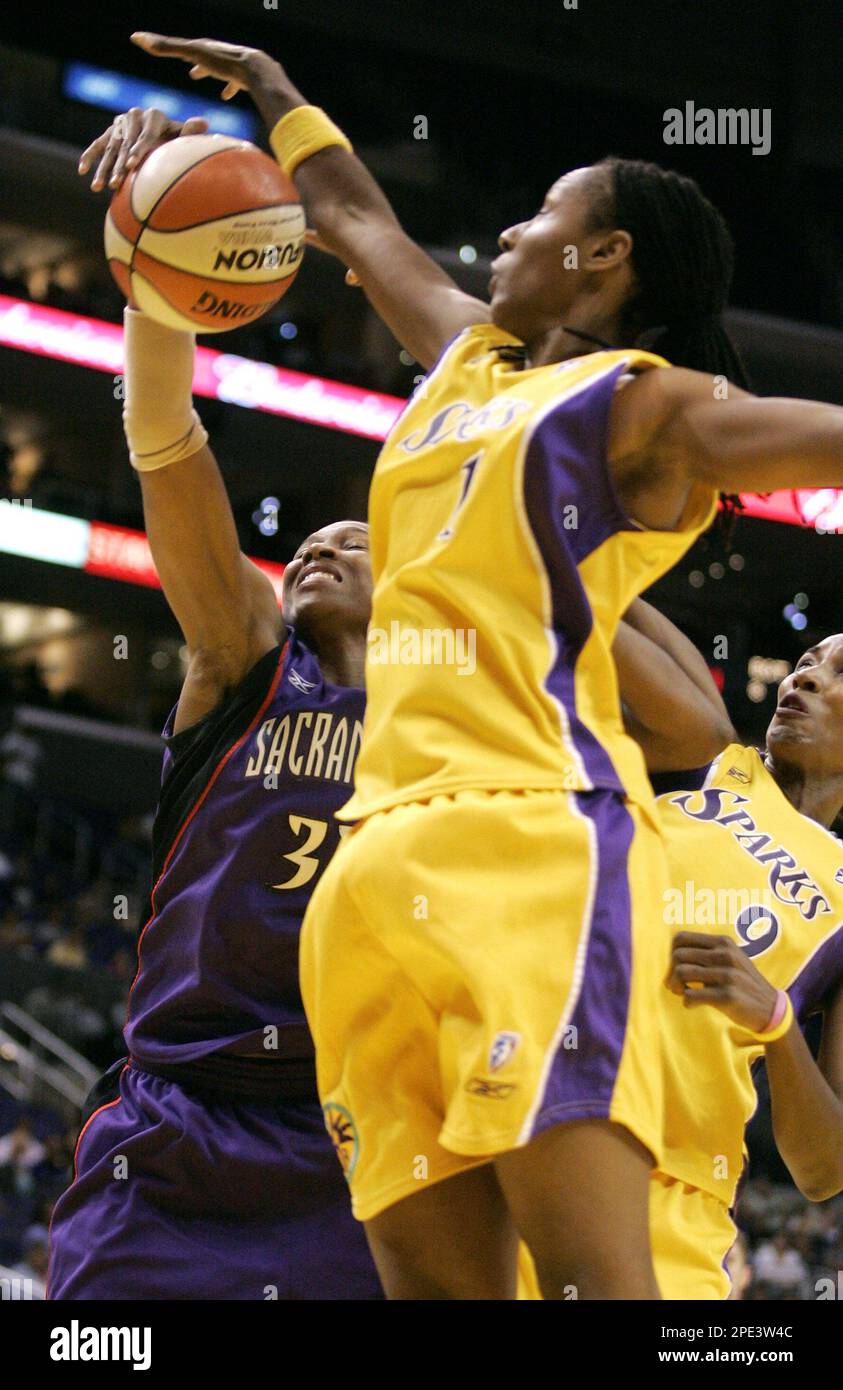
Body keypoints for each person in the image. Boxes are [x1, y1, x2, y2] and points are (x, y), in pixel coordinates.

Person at [93, 30, 843, 1300]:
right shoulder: (461, 359)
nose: (504, 235)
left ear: (605, 257)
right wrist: (273, 96)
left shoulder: (644, 407)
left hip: (529, 842)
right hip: (371, 865)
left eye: (542, 216)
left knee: (603, 1282)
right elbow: (345, 216)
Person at [46, 229, 381, 1297]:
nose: (318, 550)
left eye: (353, 542)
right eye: (308, 543)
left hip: (349, 1134)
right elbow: (161, 431)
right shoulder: (244, 658)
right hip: (177, 1115)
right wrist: (152, 276)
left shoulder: (456, 722)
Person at [646, 632, 843, 1298]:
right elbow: (604, 617)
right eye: (806, 662)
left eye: (839, 672)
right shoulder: (699, 753)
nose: (804, 679)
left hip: (669, 1199)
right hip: (517, 1103)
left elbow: (824, 1168)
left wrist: (777, 1020)